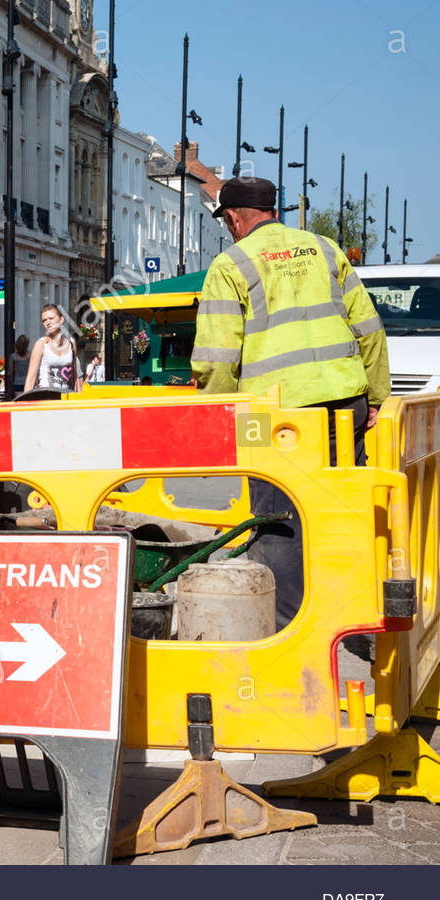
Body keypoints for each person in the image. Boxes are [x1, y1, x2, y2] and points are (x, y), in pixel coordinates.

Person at [191, 176, 389, 632]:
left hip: (277, 415)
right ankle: (352, 615)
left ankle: (288, 632)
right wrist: (376, 395)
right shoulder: (324, 248)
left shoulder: (231, 263)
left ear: (236, 219)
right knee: (341, 509)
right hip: (345, 403)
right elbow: (369, 330)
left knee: (280, 521)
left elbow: (218, 356)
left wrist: (216, 416)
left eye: (227, 222)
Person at [22, 304, 79, 392]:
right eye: (44, 320)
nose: (48, 323)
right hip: (46, 399)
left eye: (51, 318)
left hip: (66, 400)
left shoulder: (71, 343)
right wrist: (25, 404)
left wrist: (79, 399)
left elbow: (75, 376)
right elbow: (31, 378)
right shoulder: (41, 344)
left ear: (61, 319)